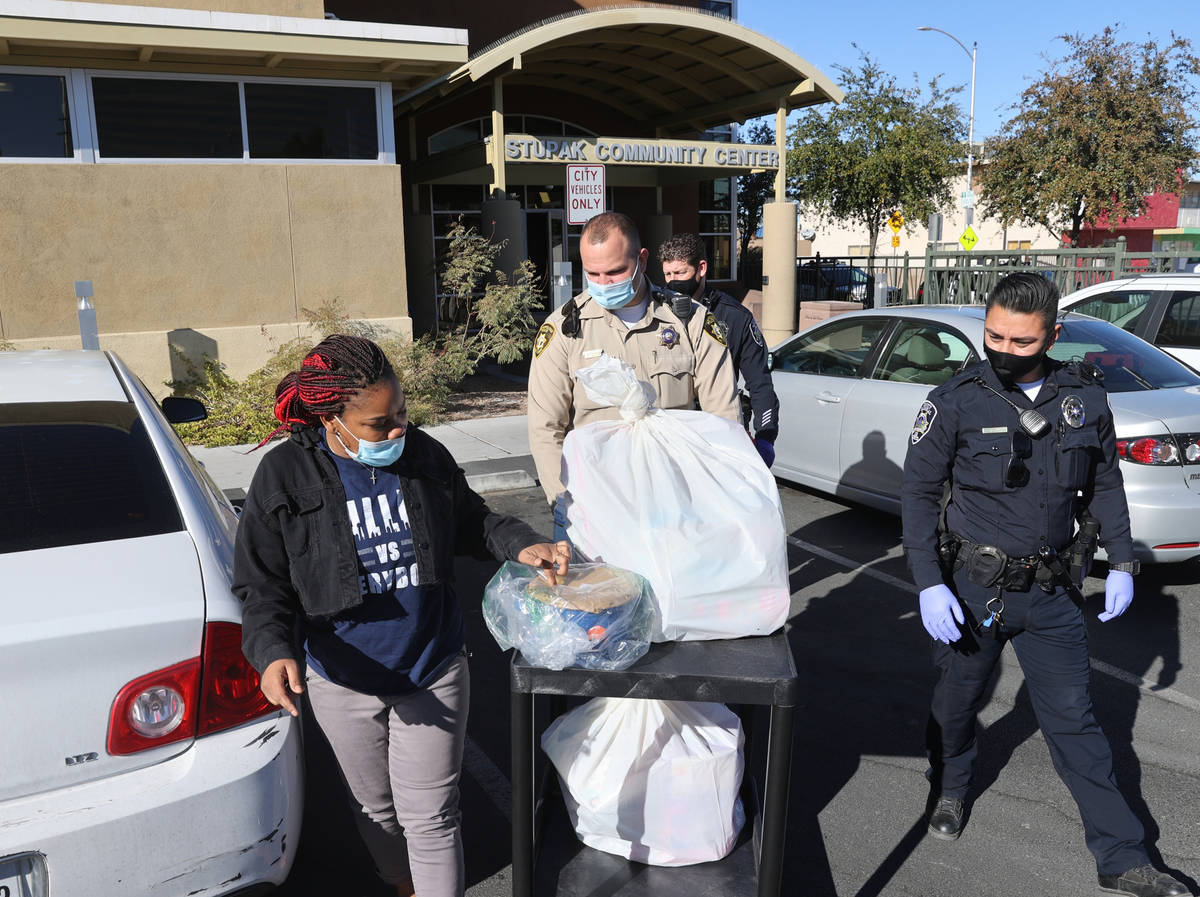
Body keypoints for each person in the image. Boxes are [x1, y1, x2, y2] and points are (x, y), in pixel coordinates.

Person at [233, 334, 569, 897]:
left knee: (433, 816)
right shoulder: (283, 476)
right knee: (376, 810)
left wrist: (521, 542)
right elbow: (261, 584)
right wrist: (271, 652)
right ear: (330, 418)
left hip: (433, 668)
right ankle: (400, 883)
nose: (396, 433)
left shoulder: (425, 456)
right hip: (343, 681)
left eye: (403, 416)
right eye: (378, 424)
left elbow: (473, 520)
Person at [901, 273, 1189, 897]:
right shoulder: (955, 399)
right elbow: (919, 495)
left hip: (1053, 593)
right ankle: (950, 787)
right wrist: (928, 582)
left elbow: (1106, 482)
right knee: (956, 706)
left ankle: (1123, 858)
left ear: (1052, 335)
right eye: (993, 336)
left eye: (1021, 342)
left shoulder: (1083, 397)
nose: (1002, 351)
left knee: (1075, 724)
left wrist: (1122, 561)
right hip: (972, 591)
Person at [527, 211, 740, 522]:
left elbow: (724, 418)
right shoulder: (564, 329)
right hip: (595, 508)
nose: (603, 283)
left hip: (676, 504)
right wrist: (564, 504)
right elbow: (545, 428)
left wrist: (722, 495)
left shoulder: (691, 321)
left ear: (641, 260)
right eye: (592, 274)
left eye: (615, 271)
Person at [658, 232, 780, 467]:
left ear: (701, 268)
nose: (673, 281)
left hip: (718, 433)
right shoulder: (656, 312)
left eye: (680, 272)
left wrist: (766, 437)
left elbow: (760, 383)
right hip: (670, 434)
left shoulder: (734, 317)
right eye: (668, 274)